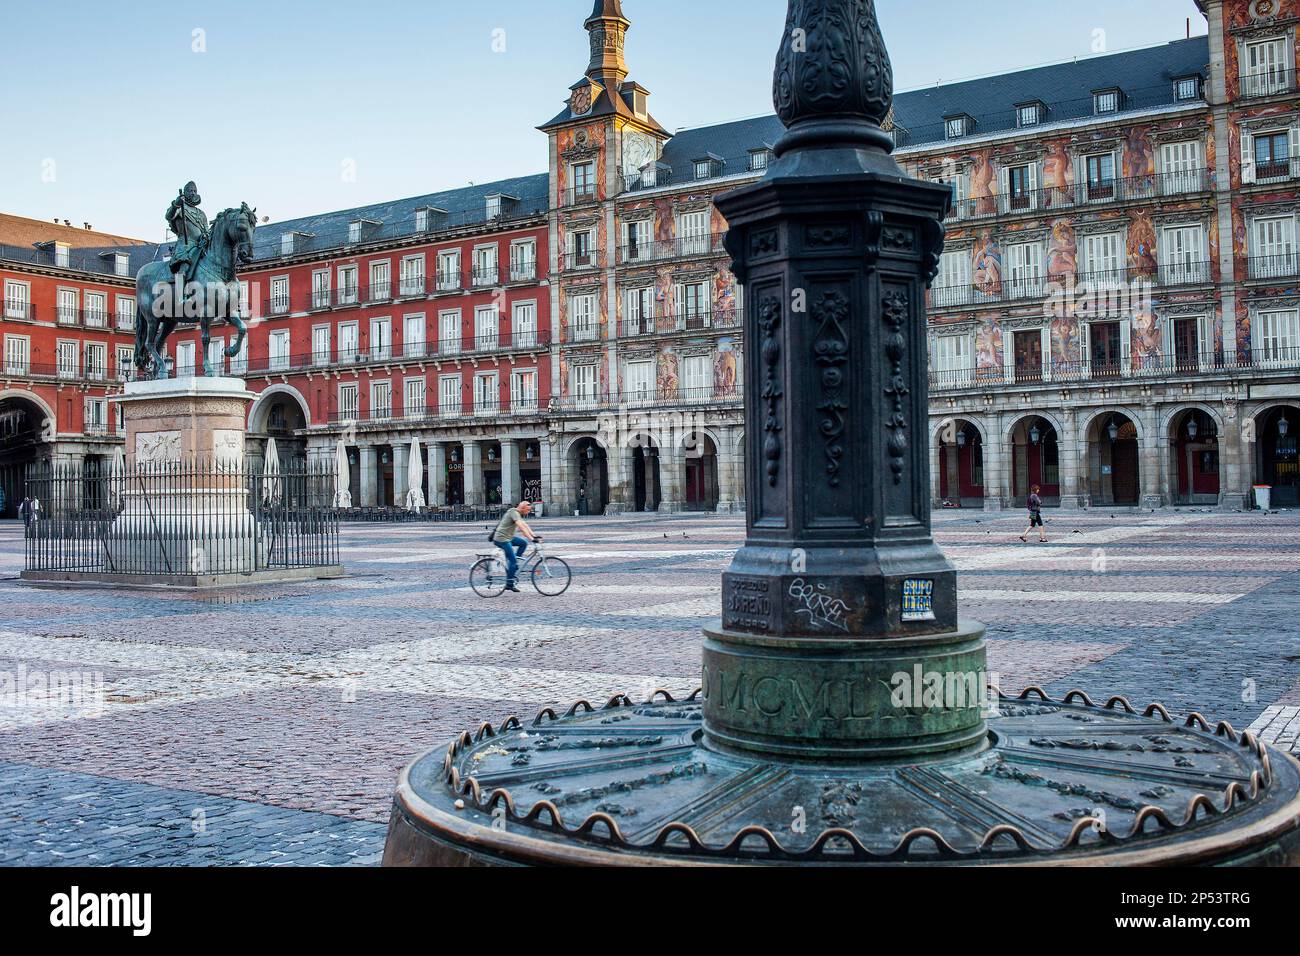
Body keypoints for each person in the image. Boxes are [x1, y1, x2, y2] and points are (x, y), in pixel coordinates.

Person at [492, 500, 538, 592]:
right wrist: (532, 539)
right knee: (512, 561)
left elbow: (525, 525)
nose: (528, 512)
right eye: (528, 510)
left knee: (523, 543)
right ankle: (509, 583)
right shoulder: (514, 512)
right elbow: (521, 527)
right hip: (501, 538)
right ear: (523, 508)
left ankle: (514, 564)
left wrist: (534, 536)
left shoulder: (518, 514)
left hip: (508, 537)